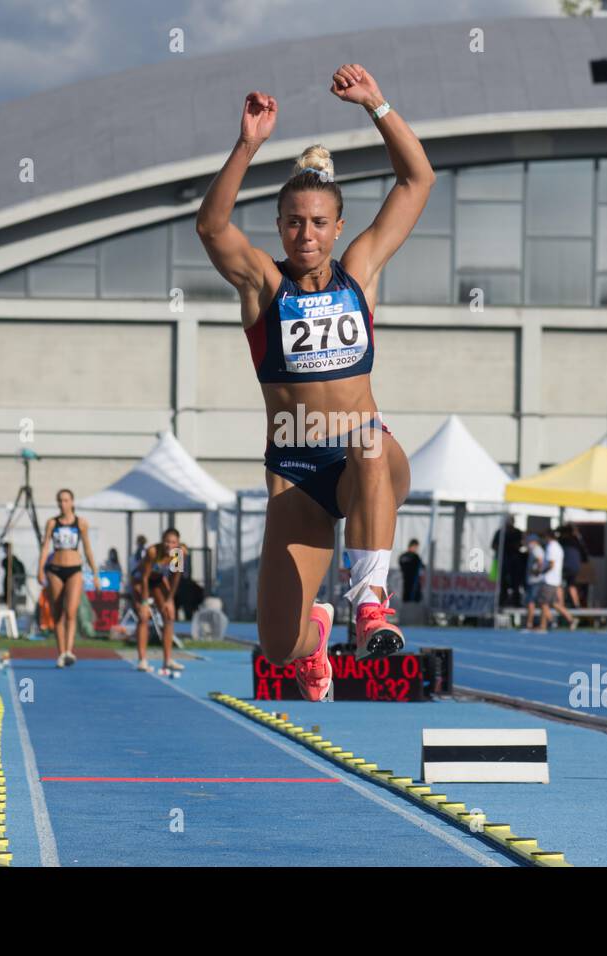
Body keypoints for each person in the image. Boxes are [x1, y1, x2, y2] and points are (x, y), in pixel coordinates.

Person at [195, 64, 434, 702]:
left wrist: (377, 104)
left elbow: (418, 180)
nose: (307, 234)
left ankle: (370, 605)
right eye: (294, 222)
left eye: (319, 222)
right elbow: (212, 229)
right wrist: (247, 145)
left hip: (366, 463)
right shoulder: (262, 288)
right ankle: (319, 633)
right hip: (297, 472)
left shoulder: (361, 270)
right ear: (280, 228)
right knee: (277, 643)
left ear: (337, 226)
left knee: (368, 439)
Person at [37, 489, 101, 668]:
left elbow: (87, 549)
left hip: (74, 568)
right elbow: (45, 547)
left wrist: (95, 573)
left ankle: (69, 650)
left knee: (71, 611)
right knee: (58, 612)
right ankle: (62, 652)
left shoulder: (81, 523)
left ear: (72, 502)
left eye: (66, 500)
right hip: (55, 569)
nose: (63, 504)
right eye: (60, 501)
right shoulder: (52, 523)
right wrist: (40, 569)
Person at [131, 529, 187, 677]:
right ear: (162, 541)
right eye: (167, 541)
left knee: (169, 615)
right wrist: (144, 602)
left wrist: (169, 600)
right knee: (144, 617)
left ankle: (167, 660)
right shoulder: (153, 552)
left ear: (178, 543)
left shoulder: (178, 554)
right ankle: (142, 660)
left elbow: (175, 579)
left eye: (173, 542)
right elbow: (144, 577)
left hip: (157, 581)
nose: (170, 545)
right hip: (140, 580)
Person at [540, 528, 576, 630]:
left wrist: (541, 572)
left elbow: (551, 564)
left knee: (543, 603)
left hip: (549, 579)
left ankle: (547, 624)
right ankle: (570, 619)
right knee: (554, 603)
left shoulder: (551, 547)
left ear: (548, 536)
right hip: (556, 579)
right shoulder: (558, 547)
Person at [559, 524, 589, 609]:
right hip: (576, 567)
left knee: (559, 585)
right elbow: (584, 556)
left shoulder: (563, 541)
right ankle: (576, 604)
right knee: (572, 585)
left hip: (566, 566)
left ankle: (561, 604)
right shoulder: (577, 541)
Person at [522, 534, 547, 631]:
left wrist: (537, 571)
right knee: (538, 603)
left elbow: (540, 561)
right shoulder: (534, 550)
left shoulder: (537, 550)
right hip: (534, 580)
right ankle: (547, 622)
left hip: (535, 581)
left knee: (531, 602)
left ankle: (529, 623)